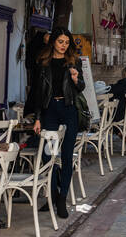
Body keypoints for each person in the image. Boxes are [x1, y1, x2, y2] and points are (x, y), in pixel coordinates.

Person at [28, 27, 84, 219]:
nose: (64, 46)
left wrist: (76, 79)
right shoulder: (43, 62)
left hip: (69, 110)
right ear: (53, 42)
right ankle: (52, 195)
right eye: (60, 42)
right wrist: (37, 117)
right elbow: (37, 92)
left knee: (67, 156)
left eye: (66, 42)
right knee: (48, 156)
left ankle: (62, 198)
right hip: (49, 109)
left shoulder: (73, 61)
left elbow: (81, 87)